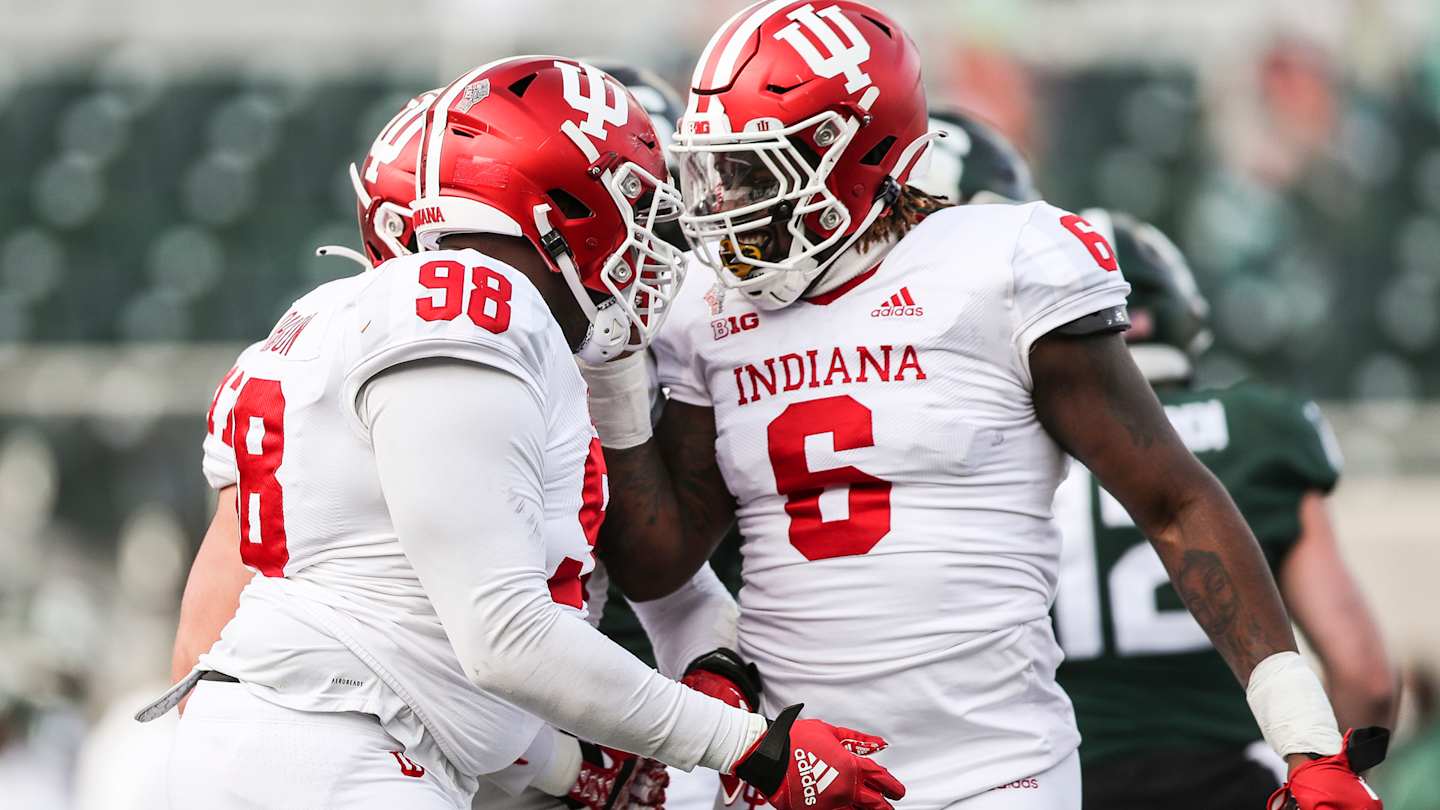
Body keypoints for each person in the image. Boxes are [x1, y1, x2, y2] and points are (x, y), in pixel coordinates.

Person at [580, 2, 1387, 808]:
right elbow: (661, 559)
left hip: (993, 771)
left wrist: (1307, 740)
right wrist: (615, 375)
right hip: (799, 773)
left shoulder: (999, 270)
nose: (724, 201)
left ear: (860, 154)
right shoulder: (704, 311)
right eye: (717, 169)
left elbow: (1174, 498)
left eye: (756, 173)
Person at [145, 56, 904, 810]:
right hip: (334, 754)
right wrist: (758, 750)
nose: (651, 242)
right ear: (552, 209)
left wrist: (577, 770)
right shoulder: (467, 304)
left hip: (318, 742)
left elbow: (422, 656)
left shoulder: (354, 321)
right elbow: (503, 638)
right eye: (634, 204)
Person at [1051, 210, 1397, 809]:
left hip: (1063, 785)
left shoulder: (1016, 447)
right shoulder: (1262, 428)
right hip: (1236, 784)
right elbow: (1367, 675)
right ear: (1181, 316)